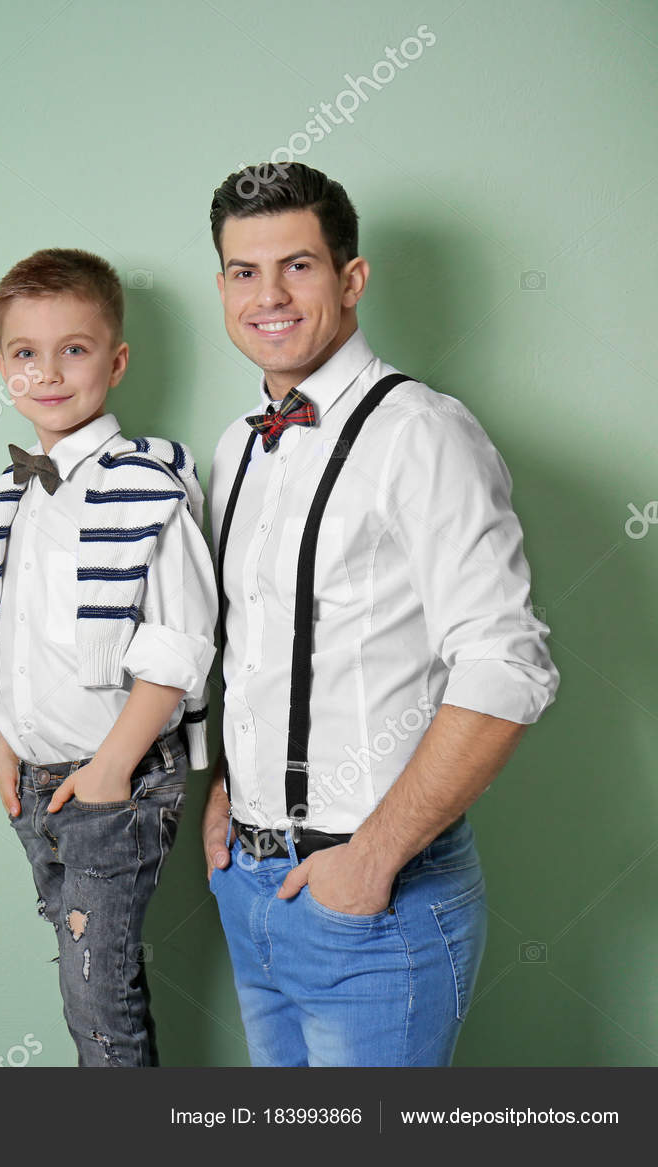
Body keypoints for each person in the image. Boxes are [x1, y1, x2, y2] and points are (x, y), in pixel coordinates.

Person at [200, 162, 559, 1066]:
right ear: (222, 288)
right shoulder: (236, 445)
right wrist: (228, 794)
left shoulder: (423, 432)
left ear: (352, 279)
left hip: (376, 900)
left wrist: (371, 859)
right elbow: (252, 647)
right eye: (244, 271)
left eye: (299, 266)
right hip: (251, 892)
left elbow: (506, 666)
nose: (268, 295)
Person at [0, 248, 217, 1066]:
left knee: (98, 997)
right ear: (2, 365)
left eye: (74, 349)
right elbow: (16, 635)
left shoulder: (147, 484)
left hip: (114, 779)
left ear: (115, 361)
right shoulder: (14, 494)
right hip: (40, 780)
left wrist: (113, 765)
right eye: (25, 352)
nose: (48, 371)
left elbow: (180, 646)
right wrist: (8, 735)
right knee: (83, 981)